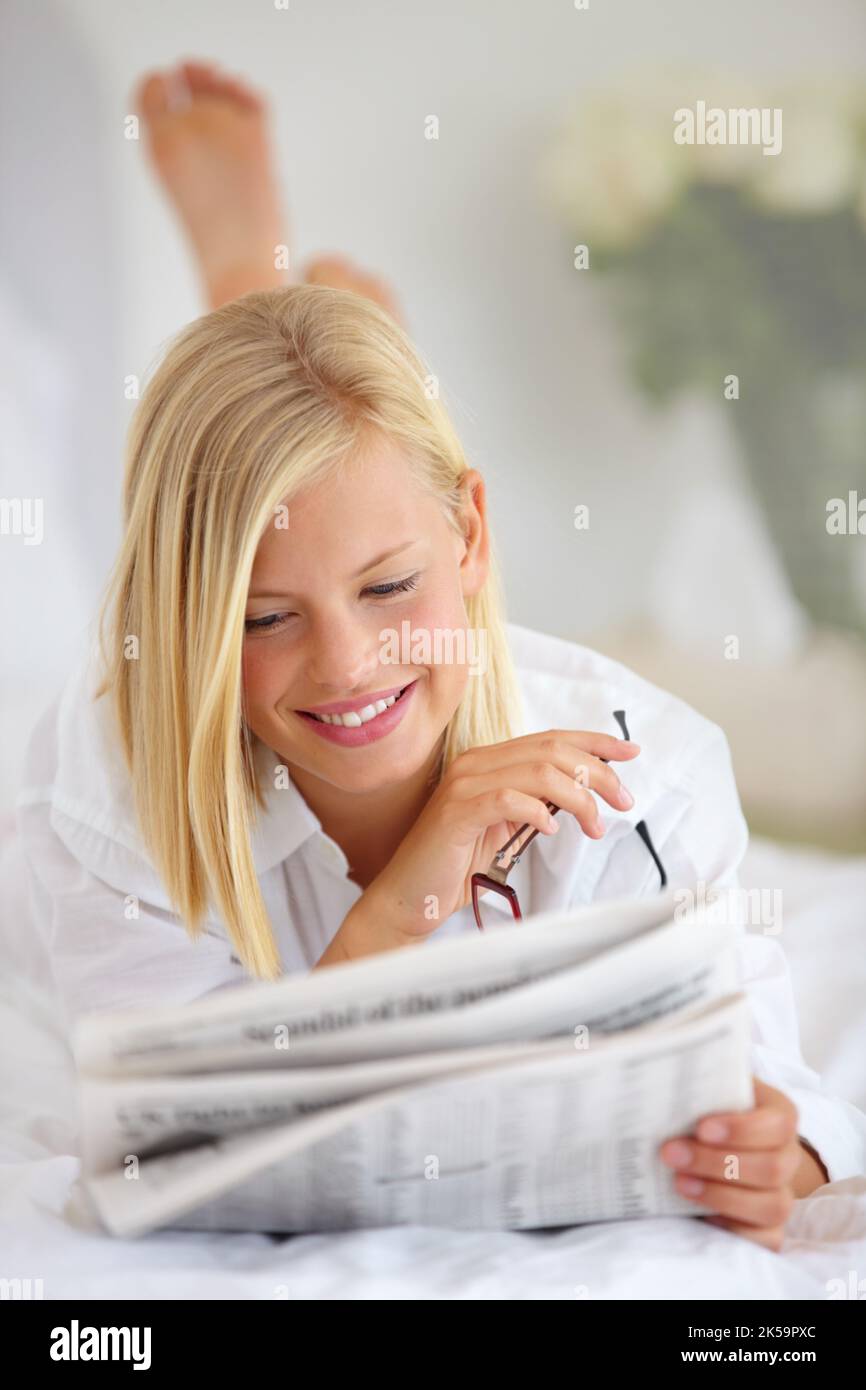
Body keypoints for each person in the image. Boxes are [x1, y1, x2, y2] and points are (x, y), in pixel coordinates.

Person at [13, 60, 866, 1253]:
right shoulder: (101, 779)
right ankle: (252, 291)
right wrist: (405, 901)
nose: (347, 664)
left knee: (309, 467)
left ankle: (279, 323)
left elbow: (780, 1087)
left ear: (471, 533)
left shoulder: (646, 772)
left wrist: (781, 1152)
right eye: (263, 619)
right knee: (271, 472)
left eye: (389, 585)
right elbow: (169, 1155)